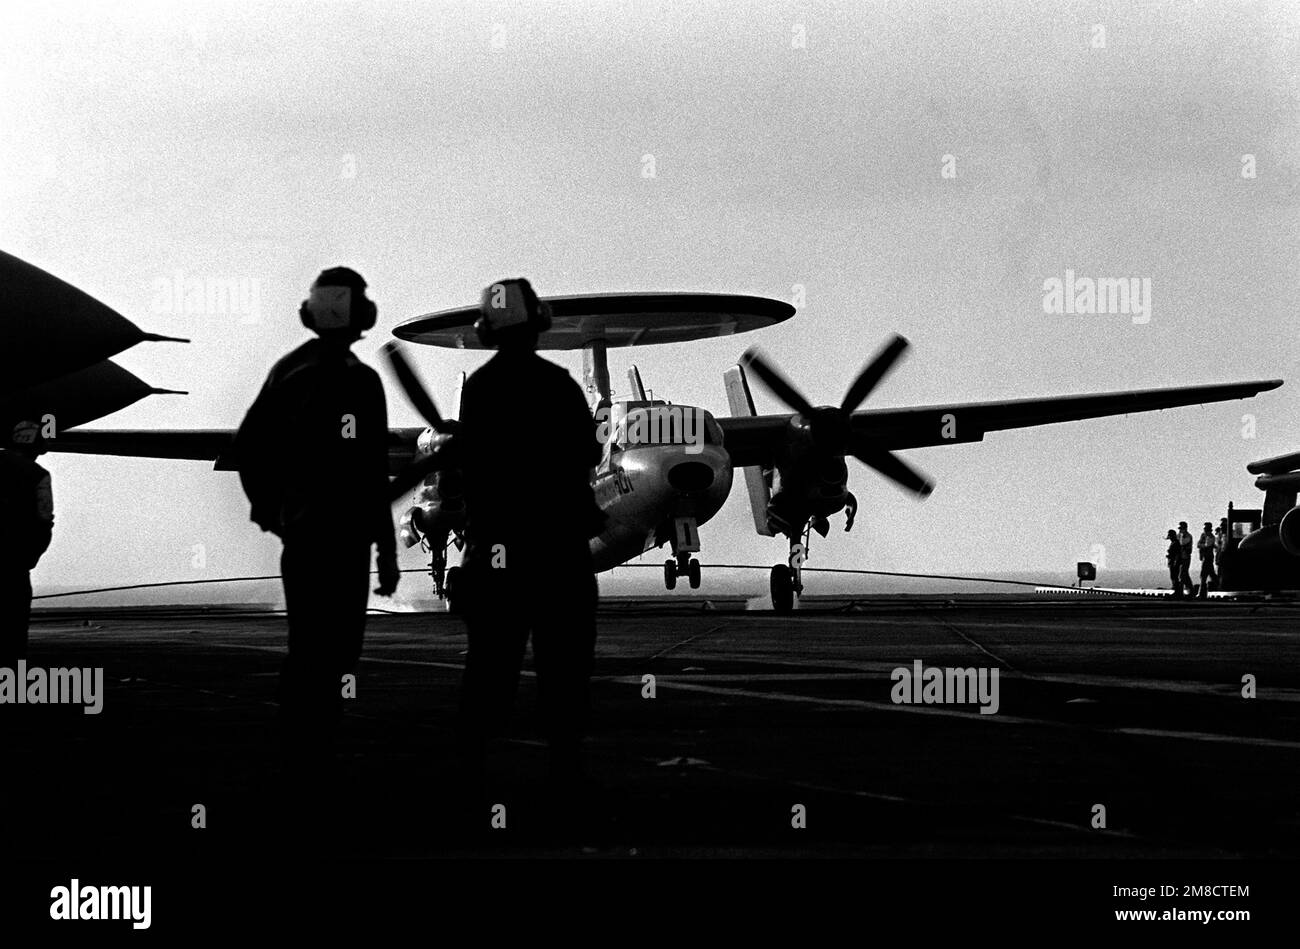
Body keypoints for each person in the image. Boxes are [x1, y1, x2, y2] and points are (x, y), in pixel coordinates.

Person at [232, 267, 399, 769]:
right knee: (339, 653)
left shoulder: (288, 373)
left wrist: (274, 516)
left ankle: (297, 753)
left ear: (311, 313)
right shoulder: (363, 381)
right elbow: (373, 474)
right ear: (361, 315)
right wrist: (387, 553)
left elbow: (247, 450)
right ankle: (317, 750)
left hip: (303, 542)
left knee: (305, 646)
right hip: (348, 546)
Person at [455, 278, 605, 796]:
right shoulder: (559, 385)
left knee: (488, 671)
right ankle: (566, 778)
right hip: (559, 553)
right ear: (538, 324)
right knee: (564, 675)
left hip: (497, 555)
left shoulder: (477, 390)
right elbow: (589, 455)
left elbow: (470, 466)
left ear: (485, 331)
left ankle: (471, 778)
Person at [0, 420, 54, 663]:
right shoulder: (38, 475)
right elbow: (44, 521)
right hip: (13, 567)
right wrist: (28, 559)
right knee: (12, 633)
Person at [1197, 521, 1217, 598]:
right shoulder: (1203, 536)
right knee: (1210, 574)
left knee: (1203, 575)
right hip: (1205, 557)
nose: (1204, 530)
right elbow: (1199, 544)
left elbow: (1206, 545)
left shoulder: (1211, 537)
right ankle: (1217, 586)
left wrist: (1202, 545)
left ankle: (1201, 593)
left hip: (1208, 557)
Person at [1176, 521, 1195, 596]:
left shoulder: (1188, 536)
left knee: (1182, 574)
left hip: (1185, 557)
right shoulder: (1180, 535)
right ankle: (1191, 589)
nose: (1180, 530)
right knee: (1185, 574)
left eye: (1181, 528)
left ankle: (1180, 591)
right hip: (1180, 557)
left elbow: (1182, 543)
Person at [1165, 529, 1182, 597]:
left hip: (1174, 562)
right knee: (1173, 577)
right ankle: (1176, 590)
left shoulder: (1176, 543)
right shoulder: (1174, 542)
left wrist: (1175, 562)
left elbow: (1177, 554)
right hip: (1172, 562)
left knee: (1174, 577)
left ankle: (1177, 591)